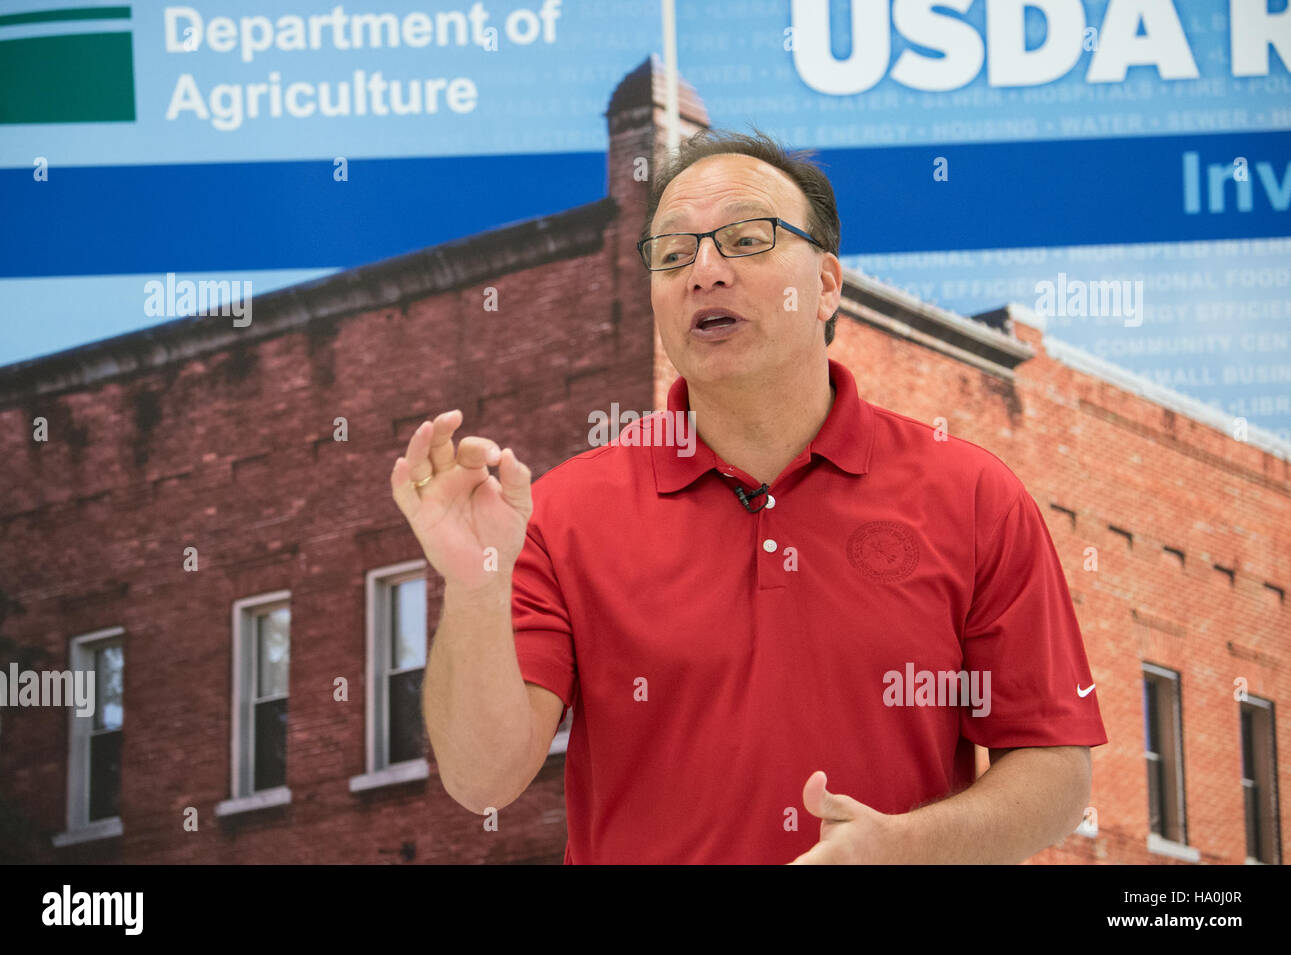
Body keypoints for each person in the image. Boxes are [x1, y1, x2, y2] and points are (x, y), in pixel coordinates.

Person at [391, 129, 1107, 864]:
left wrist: (905, 847)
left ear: (826, 283)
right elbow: (484, 778)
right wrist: (476, 584)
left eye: (745, 238)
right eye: (673, 253)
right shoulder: (561, 512)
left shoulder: (973, 495)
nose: (704, 270)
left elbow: (1057, 771)